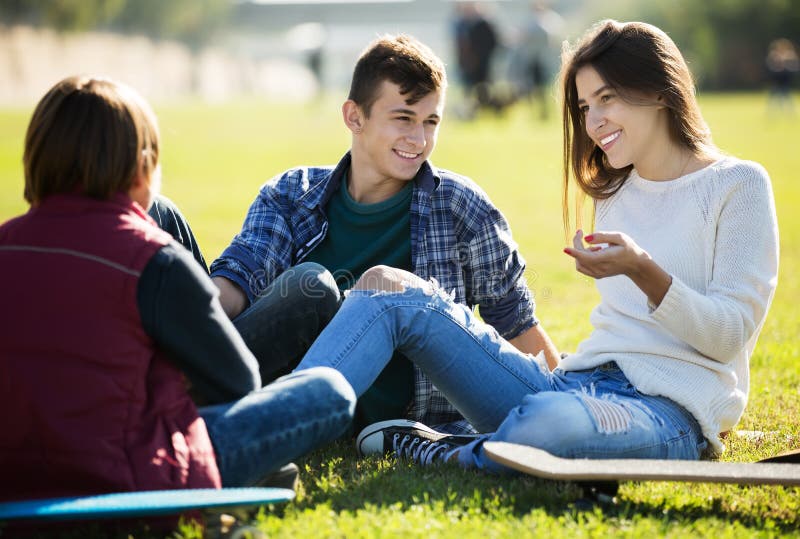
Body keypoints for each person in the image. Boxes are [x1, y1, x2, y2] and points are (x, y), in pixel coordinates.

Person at [294, 20, 780, 471]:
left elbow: (728, 337)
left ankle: (441, 448)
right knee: (389, 289)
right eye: (585, 107)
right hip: (571, 383)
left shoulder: (737, 185)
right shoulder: (616, 192)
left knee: (546, 425)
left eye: (606, 99)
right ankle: (270, 432)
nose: (593, 123)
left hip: (665, 412)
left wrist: (642, 270)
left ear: (657, 89)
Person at [0, 75, 356, 503]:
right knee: (328, 392)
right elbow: (237, 382)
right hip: (134, 480)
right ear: (142, 167)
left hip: (16, 478)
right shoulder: (154, 259)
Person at [209, 34, 559, 433]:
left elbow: (515, 323)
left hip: (408, 416)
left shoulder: (461, 207)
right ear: (354, 117)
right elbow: (240, 277)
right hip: (285, 389)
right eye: (403, 118)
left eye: (431, 122)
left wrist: (570, 404)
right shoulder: (290, 195)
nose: (420, 140)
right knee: (310, 285)